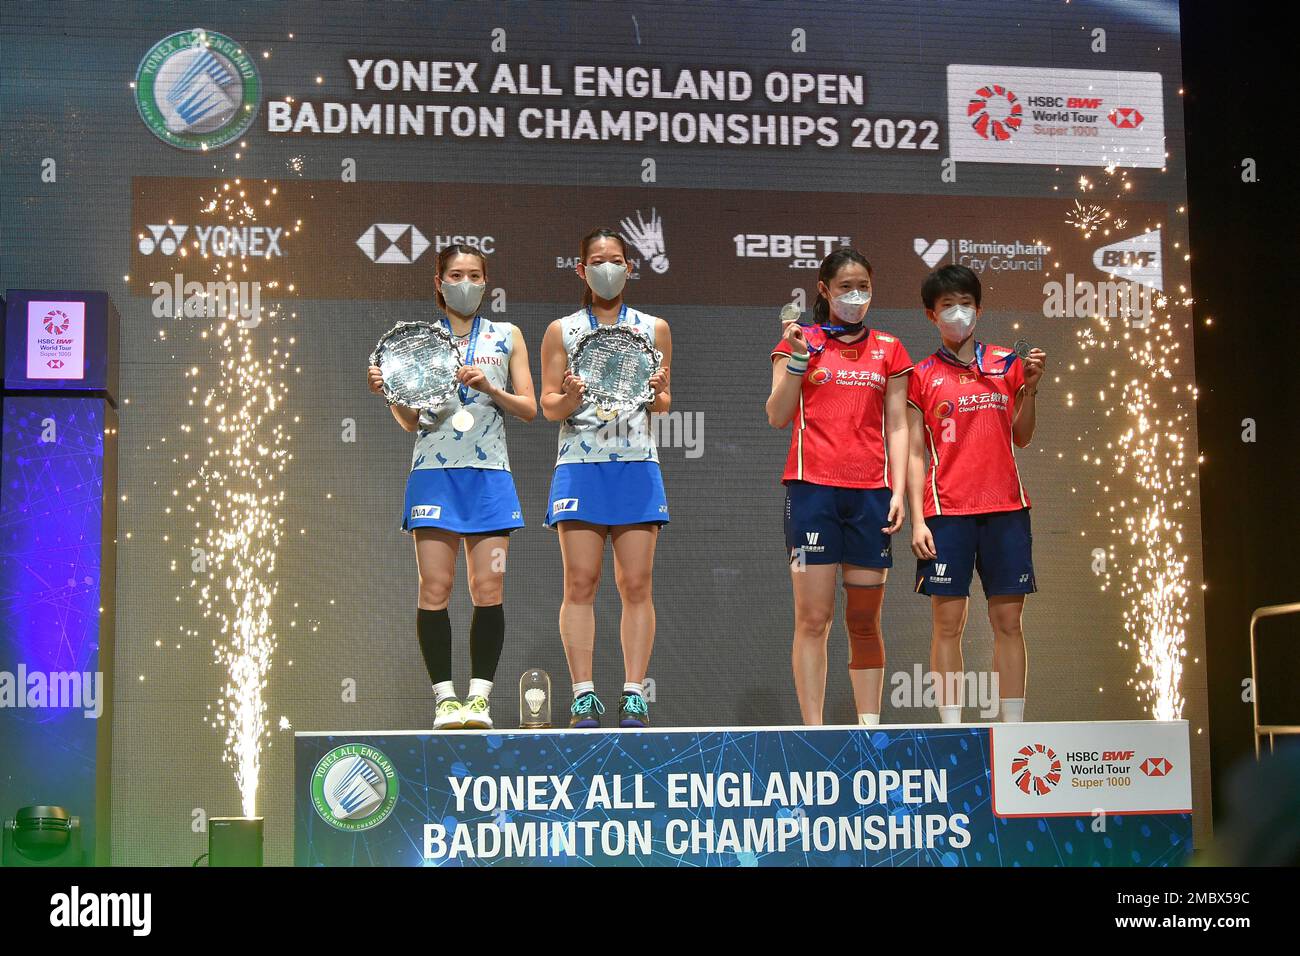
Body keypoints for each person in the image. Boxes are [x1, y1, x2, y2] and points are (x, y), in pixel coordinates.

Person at [367, 244, 536, 730]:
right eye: (456, 274)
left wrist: (490, 389)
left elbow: (528, 408)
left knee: (489, 586)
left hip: (489, 479)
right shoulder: (417, 342)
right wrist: (388, 394)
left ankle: (479, 699)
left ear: (487, 283)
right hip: (434, 477)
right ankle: (445, 700)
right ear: (439, 282)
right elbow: (408, 422)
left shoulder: (507, 336)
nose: (467, 282)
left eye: (475, 275)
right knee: (435, 587)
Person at [767, 248, 912, 726]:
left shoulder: (889, 349)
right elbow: (777, 415)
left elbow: (897, 426)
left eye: (863, 287)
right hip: (813, 495)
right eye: (846, 287)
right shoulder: (800, 341)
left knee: (865, 620)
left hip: (871, 496)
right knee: (813, 619)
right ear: (824, 290)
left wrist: (897, 491)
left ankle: (870, 731)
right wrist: (798, 363)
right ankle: (816, 733)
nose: (856, 296)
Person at [539, 228, 672, 729]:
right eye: (597, 261)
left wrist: (658, 391)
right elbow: (550, 405)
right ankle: (583, 694)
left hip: (636, 465)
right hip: (580, 466)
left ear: (630, 268)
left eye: (616, 261)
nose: (607, 269)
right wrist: (571, 398)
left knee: (636, 583)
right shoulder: (561, 330)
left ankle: (634, 692)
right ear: (581, 270)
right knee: (581, 582)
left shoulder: (654, 328)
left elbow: (662, 403)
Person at [905, 264, 1046, 724]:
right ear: (932, 314)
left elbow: (1022, 437)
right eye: (948, 305)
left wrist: (1031, 390)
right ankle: (951, 729)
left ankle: (1014, 730)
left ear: (979, 308)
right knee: (948, 626)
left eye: (966, 303)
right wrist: (918, 519)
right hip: (947, 514)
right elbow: (913, 454)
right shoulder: (921, 376)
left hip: (1006, 510)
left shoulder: (1006, 364)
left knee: (1009, 623)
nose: (958, 312)